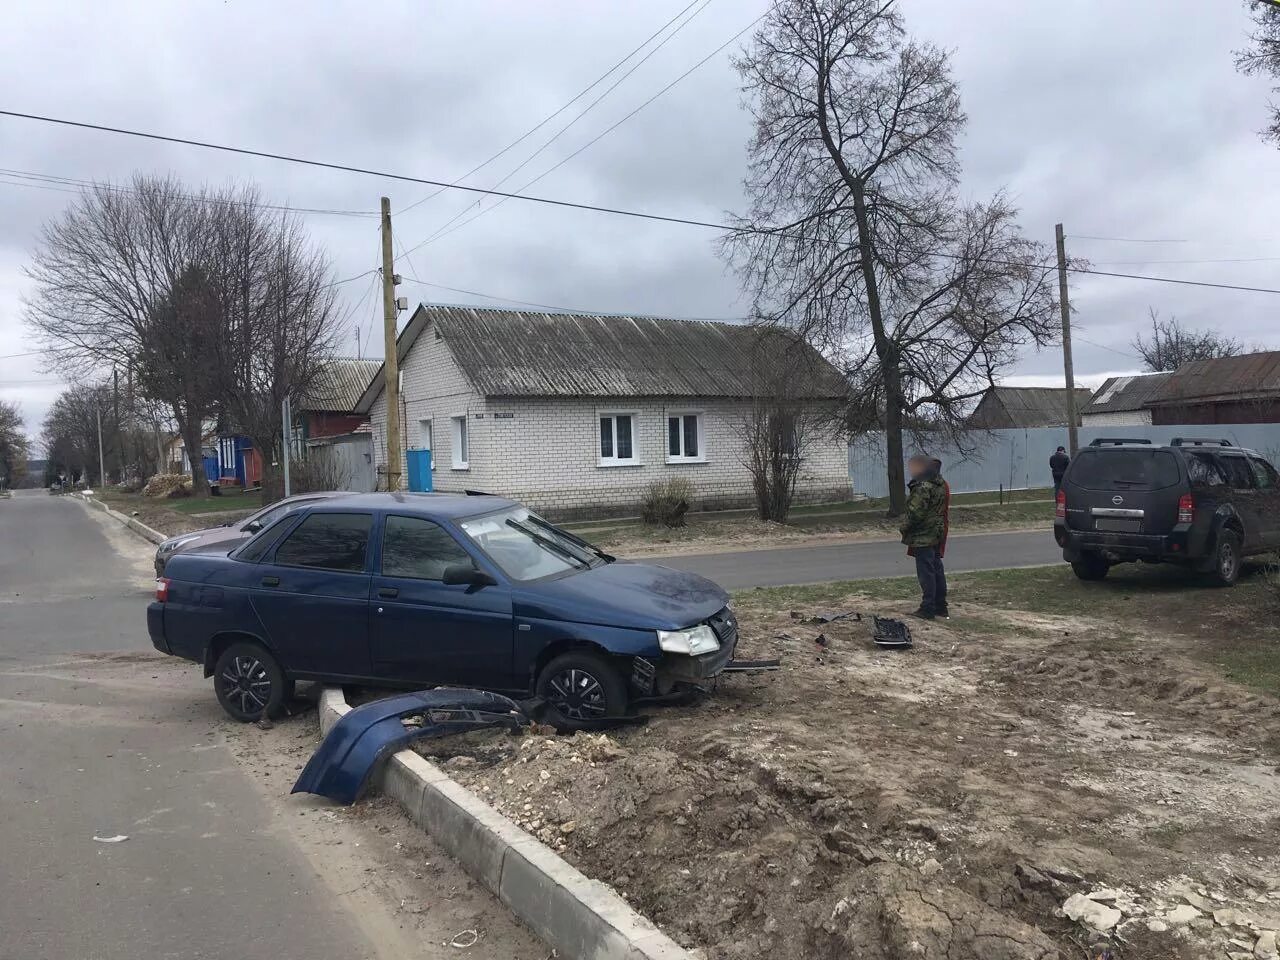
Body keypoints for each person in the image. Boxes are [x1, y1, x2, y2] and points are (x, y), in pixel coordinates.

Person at [900, 455, 948, 620]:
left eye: (912, 467)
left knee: (926, 572)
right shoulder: (939, 483)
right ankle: (941, 606)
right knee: (936, 569)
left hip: (923, 535)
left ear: (920, 467)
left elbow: (915, 512)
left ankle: (928, 607)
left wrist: (904, 527)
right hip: (936, 532)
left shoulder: (923, 486)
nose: (910, 471)